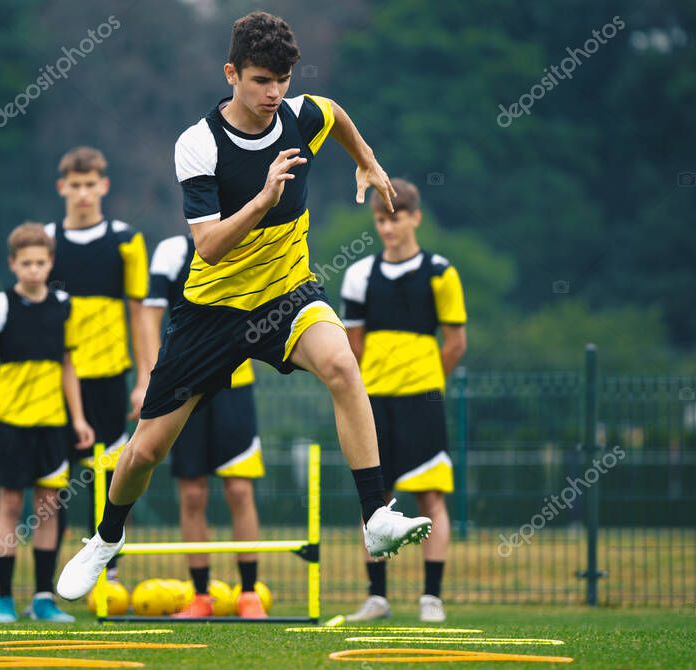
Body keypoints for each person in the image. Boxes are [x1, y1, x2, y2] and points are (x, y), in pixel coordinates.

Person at [57, 11, 431, 602]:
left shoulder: (299, 115)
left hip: (287, 294)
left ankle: (376, 516)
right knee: (146, 450)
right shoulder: (198, 143)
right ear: (231, 73)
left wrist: (366, 158)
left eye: (282, 78)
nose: (273, 92)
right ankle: (106, 537)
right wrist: (263, 197)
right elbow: (207, 244)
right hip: (211, 313)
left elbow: (332, 113)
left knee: (341, 365)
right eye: (260, 79)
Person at [340, 179, 467, 622]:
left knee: (431, 495)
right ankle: (378, 596)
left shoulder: (440, 272)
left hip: (423, 400)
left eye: (394, 219)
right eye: (380, 220)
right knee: (375, 499)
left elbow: (455, 343)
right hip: (373, 400)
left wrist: (429, 381)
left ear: (415, 217)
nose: (387, 228)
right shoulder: (359, 274)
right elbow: (351, 347)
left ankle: (431, 596)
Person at [0, 223, 95, 623]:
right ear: (13, 264)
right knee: (9, 504)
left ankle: (44, 598)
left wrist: (77, 419)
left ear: (50, 263)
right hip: (11, 424)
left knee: (49, 506)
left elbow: (68, 366)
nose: (33, 270)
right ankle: (3, 598)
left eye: (40, 262)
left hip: (52, 425)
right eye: (25, 263)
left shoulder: (63, 304)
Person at [143, 233, 267, 618]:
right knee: (192, 494)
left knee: (240, 491)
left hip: (236, 385)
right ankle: (201, 597)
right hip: (185, 384)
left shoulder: (253, 241)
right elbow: (149, 318)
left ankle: (248, 594)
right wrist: (151, 379)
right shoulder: (170, 250)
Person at [44, 147, 153, 579]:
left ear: (104, 187)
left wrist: (144, 377)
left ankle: (106, 570)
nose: (84, 194)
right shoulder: (47, 242)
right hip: (59, 376)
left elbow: (140, 312)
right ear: (62, 188)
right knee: (55, 483)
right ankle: (46, 584)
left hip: (110, 373)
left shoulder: (126, 240)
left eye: (92, 185)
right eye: (76, 185)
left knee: (110, 472)